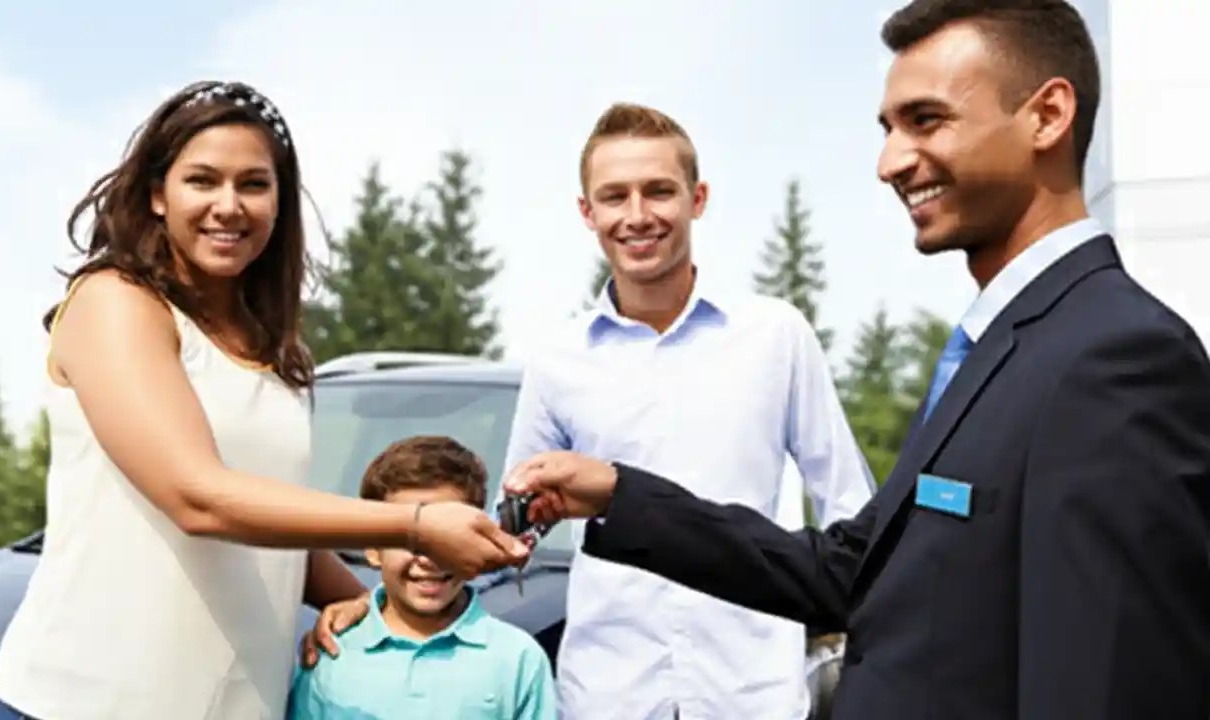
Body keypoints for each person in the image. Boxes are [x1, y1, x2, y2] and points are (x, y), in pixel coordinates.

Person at [505, 2, 1210, 718]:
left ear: (1047, 115)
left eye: (926, 120)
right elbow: (858, 569)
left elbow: (1109, 686)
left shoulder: (1118, 359)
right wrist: (619, 496)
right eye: (888, 129)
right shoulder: (1003, 348)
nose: (889, 163)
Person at [0, 80, 526, 720]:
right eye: (202, 180)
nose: (228, 205)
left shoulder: (273, 348)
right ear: (158, 194)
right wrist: (413, 525)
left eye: (253, 184)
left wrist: (358, 600)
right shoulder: (115, 303)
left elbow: (268, 506)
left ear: (279, 202)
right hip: (83, 702)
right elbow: (197, 496)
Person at [512, 102, 873, 720]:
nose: (637, 216)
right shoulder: (555, 359)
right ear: (586, 212)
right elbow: (517, 521)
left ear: (697, 198)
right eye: (614, 196)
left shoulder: (776, 335)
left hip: (751, 694)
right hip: (608, 694)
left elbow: (850, 507)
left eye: (659, 192)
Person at [287, 436, 557, 720]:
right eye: (411, 539)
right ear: (373, 549)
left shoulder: (517, 657)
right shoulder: (331, 652)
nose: (429, 559)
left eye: (448, 541)